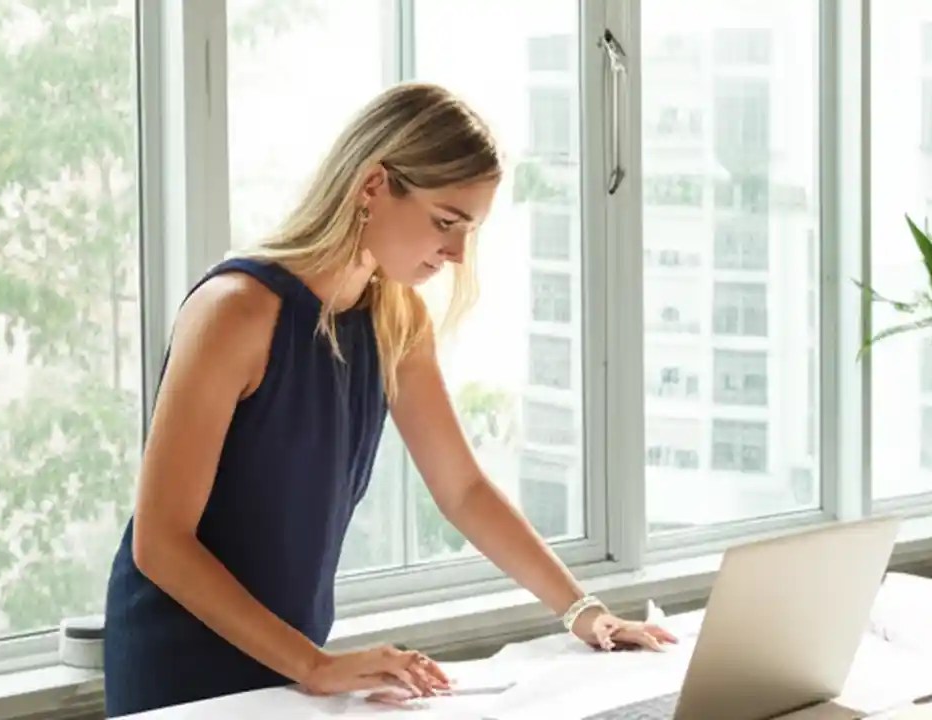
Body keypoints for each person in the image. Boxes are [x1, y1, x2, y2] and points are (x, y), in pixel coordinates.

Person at [102, 82, 677, 717]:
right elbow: (159, 542)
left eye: (470, 230)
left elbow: (462, 489)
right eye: (445, 222)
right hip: (182, 668)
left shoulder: (394, 319)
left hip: (291, 664)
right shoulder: (235, 312)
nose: (458, 253)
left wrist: (584, 612)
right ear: (374, 185)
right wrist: (316, 666)